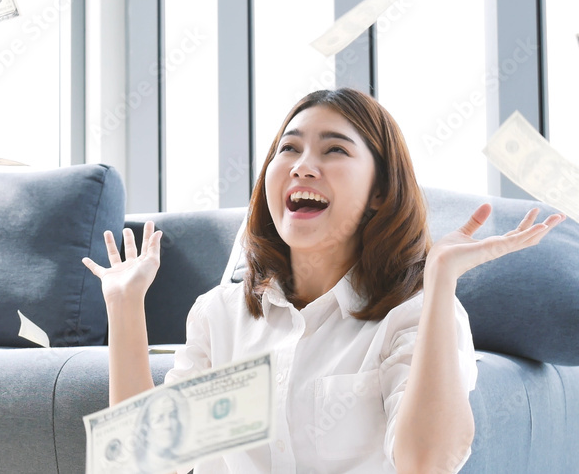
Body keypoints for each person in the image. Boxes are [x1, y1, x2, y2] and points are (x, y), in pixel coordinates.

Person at [82, 88, 565, 473]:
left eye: (334, 149)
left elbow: (425, 464)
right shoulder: (221, 313)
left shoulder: (413, 314)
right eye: (288, 148)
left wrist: (439, 284)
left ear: (379, 191)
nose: (302, 165)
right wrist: (125, 307)